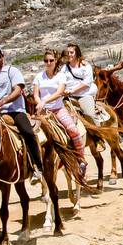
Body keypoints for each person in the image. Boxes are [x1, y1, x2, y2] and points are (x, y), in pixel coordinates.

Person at [0, 44, 43, 184]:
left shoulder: (12, 71)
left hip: (13, 110)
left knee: (28, 133)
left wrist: (3, 101)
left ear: (3, 56)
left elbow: (18, 90)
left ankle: (37, 167)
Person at [30, 48, 88, 177]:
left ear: (56, 61)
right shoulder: (39, 76)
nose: (48, 63)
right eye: (46, 61)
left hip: (57, 109)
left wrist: (45, 101)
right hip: (43, 111)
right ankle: (35, 165)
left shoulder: (61, 75)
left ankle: (81, 159)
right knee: (32, 134)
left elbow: (60, 92)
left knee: (72, 129)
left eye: (51, 60)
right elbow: (35, 94)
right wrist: (39, 102)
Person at [62, 43, 102, 123]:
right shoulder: (64, 68)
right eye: (67, 53)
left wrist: (72, 91)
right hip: (68, 96)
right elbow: (61, 81)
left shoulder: (85, 66)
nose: (69, 55)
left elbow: (87, 83)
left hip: (83, 95)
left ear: (77, 53)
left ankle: (99, 133)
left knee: (89, 115)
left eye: (71, 52)